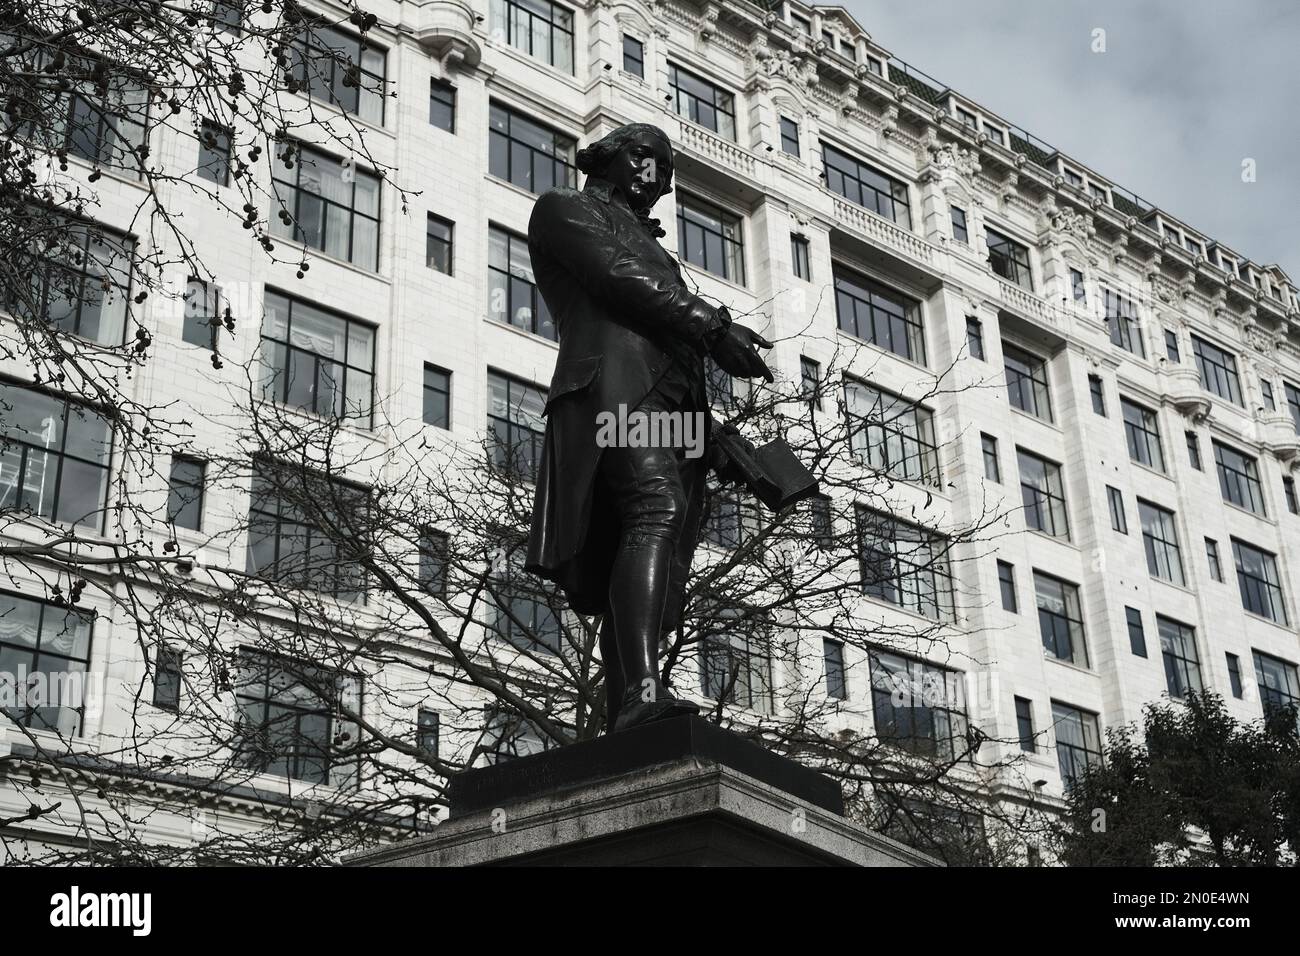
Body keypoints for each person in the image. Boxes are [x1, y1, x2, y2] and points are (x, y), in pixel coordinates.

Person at [524, 123, 774, 732]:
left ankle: (628, 711)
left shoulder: (657, 248)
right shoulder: (565, 208)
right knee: (653, 508)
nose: (654, 173)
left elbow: (669, 347)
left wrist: (716, 442)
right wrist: (715, 329)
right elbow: (619, 278)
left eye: (664, 167)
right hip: (611, 396)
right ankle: (639, 693)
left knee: (648, 548)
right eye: (642, 156)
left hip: (672, 413)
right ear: (607, 157)